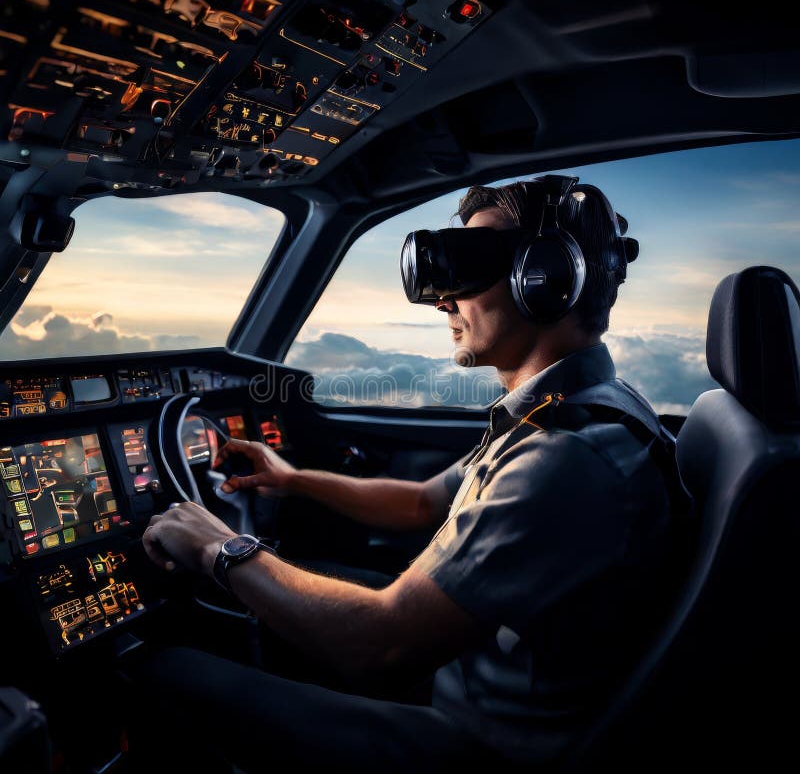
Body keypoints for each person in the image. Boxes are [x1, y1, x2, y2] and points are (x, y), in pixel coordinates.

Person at [137, 175, 678, 772]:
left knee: (153, 669)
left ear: (543, 279)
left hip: (476, 746)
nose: (443, 299)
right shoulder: (584, 408)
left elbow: (382, 646)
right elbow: (423, 502)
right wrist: (291, 479)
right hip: (475, 685)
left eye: (469, 266)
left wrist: (217, 546)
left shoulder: (565, 458)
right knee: (287, 577)